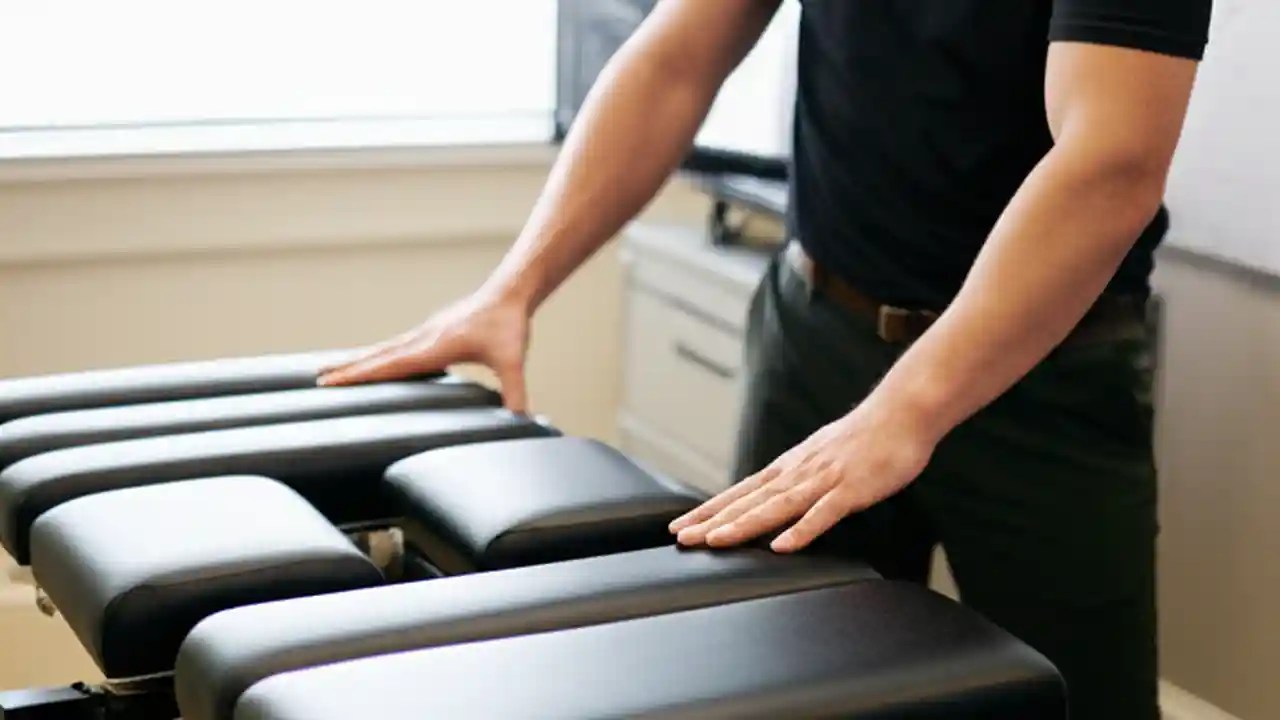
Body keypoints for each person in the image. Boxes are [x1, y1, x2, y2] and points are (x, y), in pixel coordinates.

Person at [319, 1, 1213, 716]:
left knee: (1078, 700)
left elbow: (1113, 159)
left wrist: (906, 409)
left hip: (1045, 378)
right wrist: (512, 288)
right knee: (775, 682)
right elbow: (676, 57)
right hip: (821, 339)